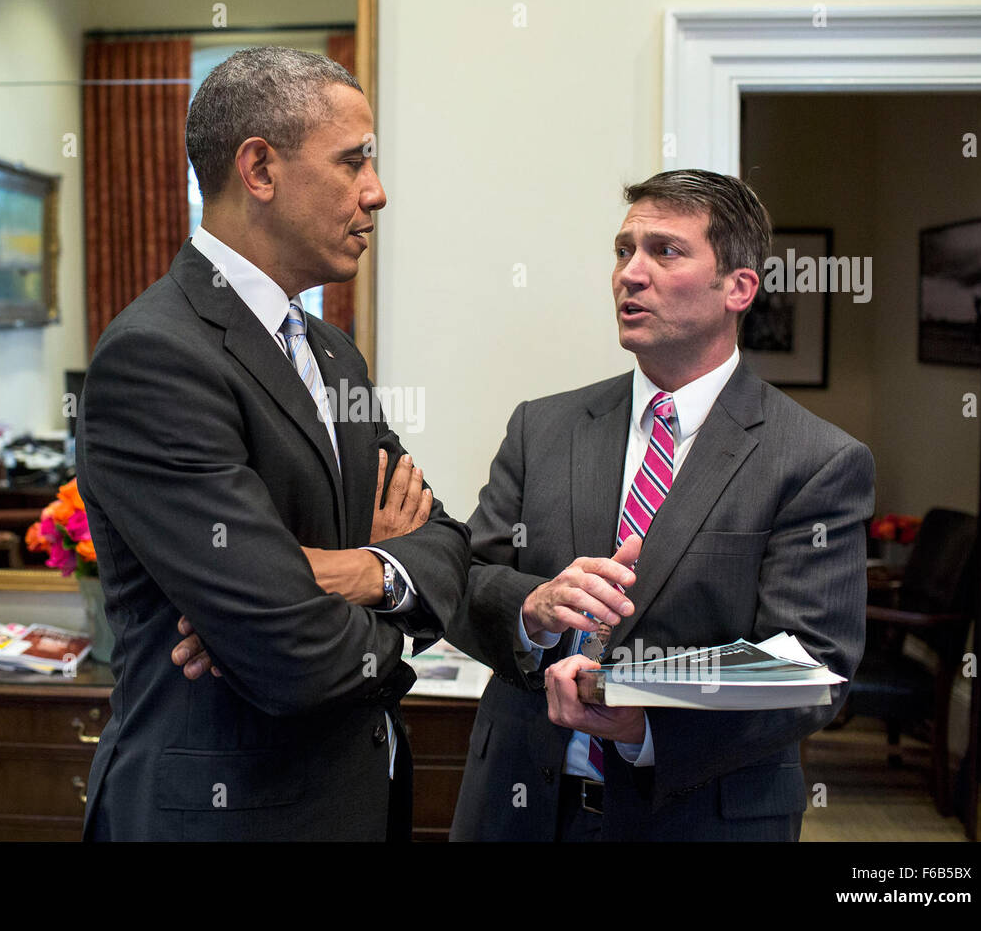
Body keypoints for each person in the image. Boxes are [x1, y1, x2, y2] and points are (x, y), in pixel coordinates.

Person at [76, 47, 469, 842]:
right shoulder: (155, 356)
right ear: (259, 167)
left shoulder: (332, 351)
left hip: (356, 801)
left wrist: (351, 572)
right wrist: (381, 592)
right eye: (354, 161)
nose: (376, 192)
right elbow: (289, 652)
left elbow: (448, 546)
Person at [447, 169, 874, 841]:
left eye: (665, 252)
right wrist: (530, 610)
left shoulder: (816, 459)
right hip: (520, 805)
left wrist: (645, 718)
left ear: (738, 287)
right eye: (623, 251)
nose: (630, 274)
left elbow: (809, 666)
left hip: (696, 814)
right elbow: (462, 580)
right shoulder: (543, 427)